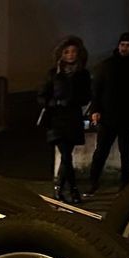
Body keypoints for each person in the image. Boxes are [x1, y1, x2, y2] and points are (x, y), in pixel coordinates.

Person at [87, 32, 129, 195]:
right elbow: (97, 89)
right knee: (101, 151)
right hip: (108, 116)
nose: (124, 48)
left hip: (128, 117)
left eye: (128, 45)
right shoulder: (108, 65)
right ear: (118, 46)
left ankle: (125, 182)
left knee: (126, 151)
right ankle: (93, 181)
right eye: (122, 45)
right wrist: (95, 109)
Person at [38, 36, 91, 204]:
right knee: (66, 155)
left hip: (73, 118)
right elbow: (41, 96)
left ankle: (58, 189)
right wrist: (55, 102)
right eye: (67, 52)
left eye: (74, 52)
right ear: (61, 54)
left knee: (67, 156)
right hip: (56, 119)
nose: (70, 55)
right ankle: (73, 190)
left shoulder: (83, 74)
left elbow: (87, 96)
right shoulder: (53, 73)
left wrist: (75, 100)